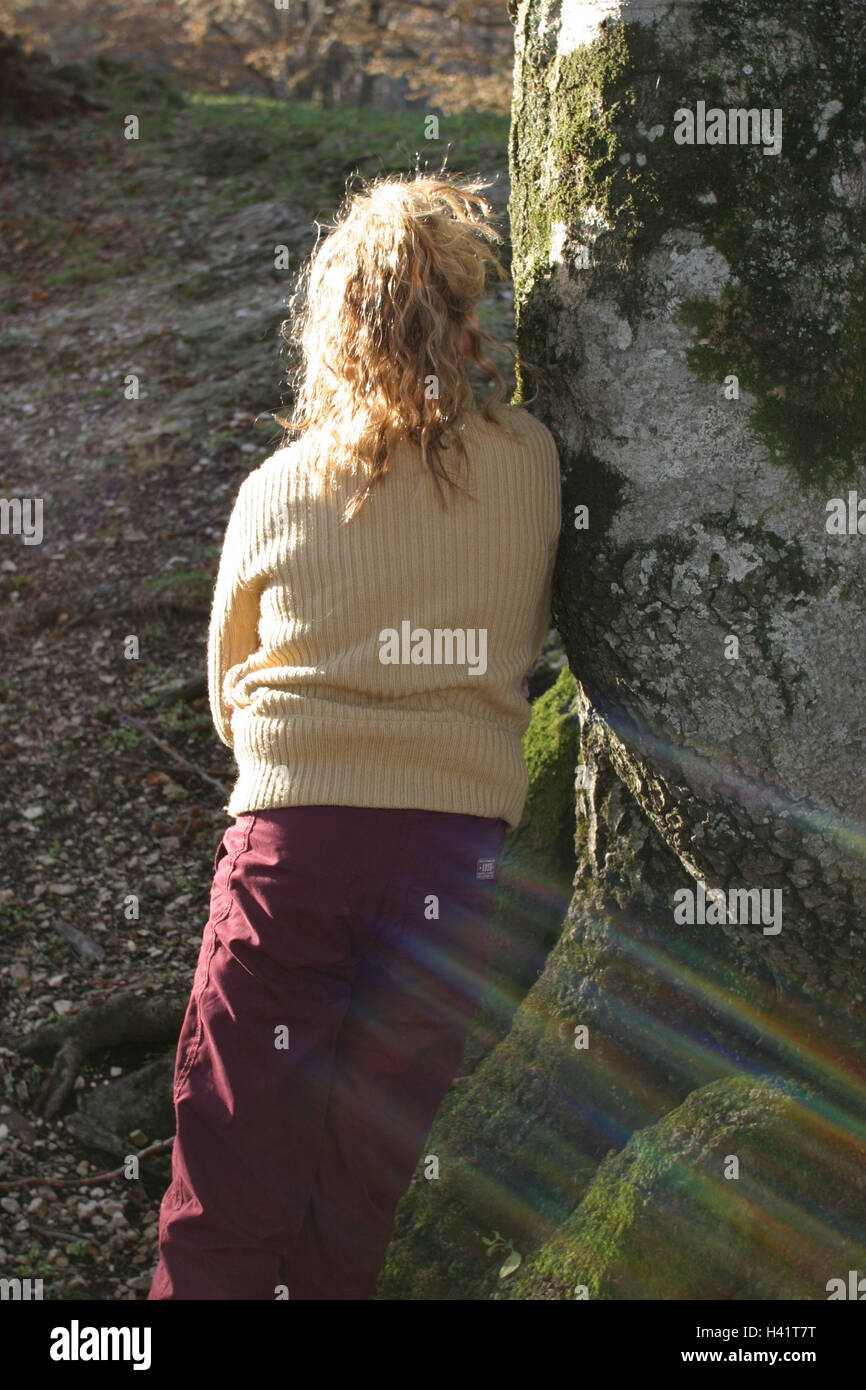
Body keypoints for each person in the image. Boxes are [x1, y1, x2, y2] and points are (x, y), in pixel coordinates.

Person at [148, 172, 561, 1300]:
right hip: (448, 861)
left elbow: (229, 689)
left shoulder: (279, 486)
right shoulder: (531, 463)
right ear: (469, 318)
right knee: (359, 1177)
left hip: (296, 850)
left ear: (337, 326)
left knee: (231, 1165)